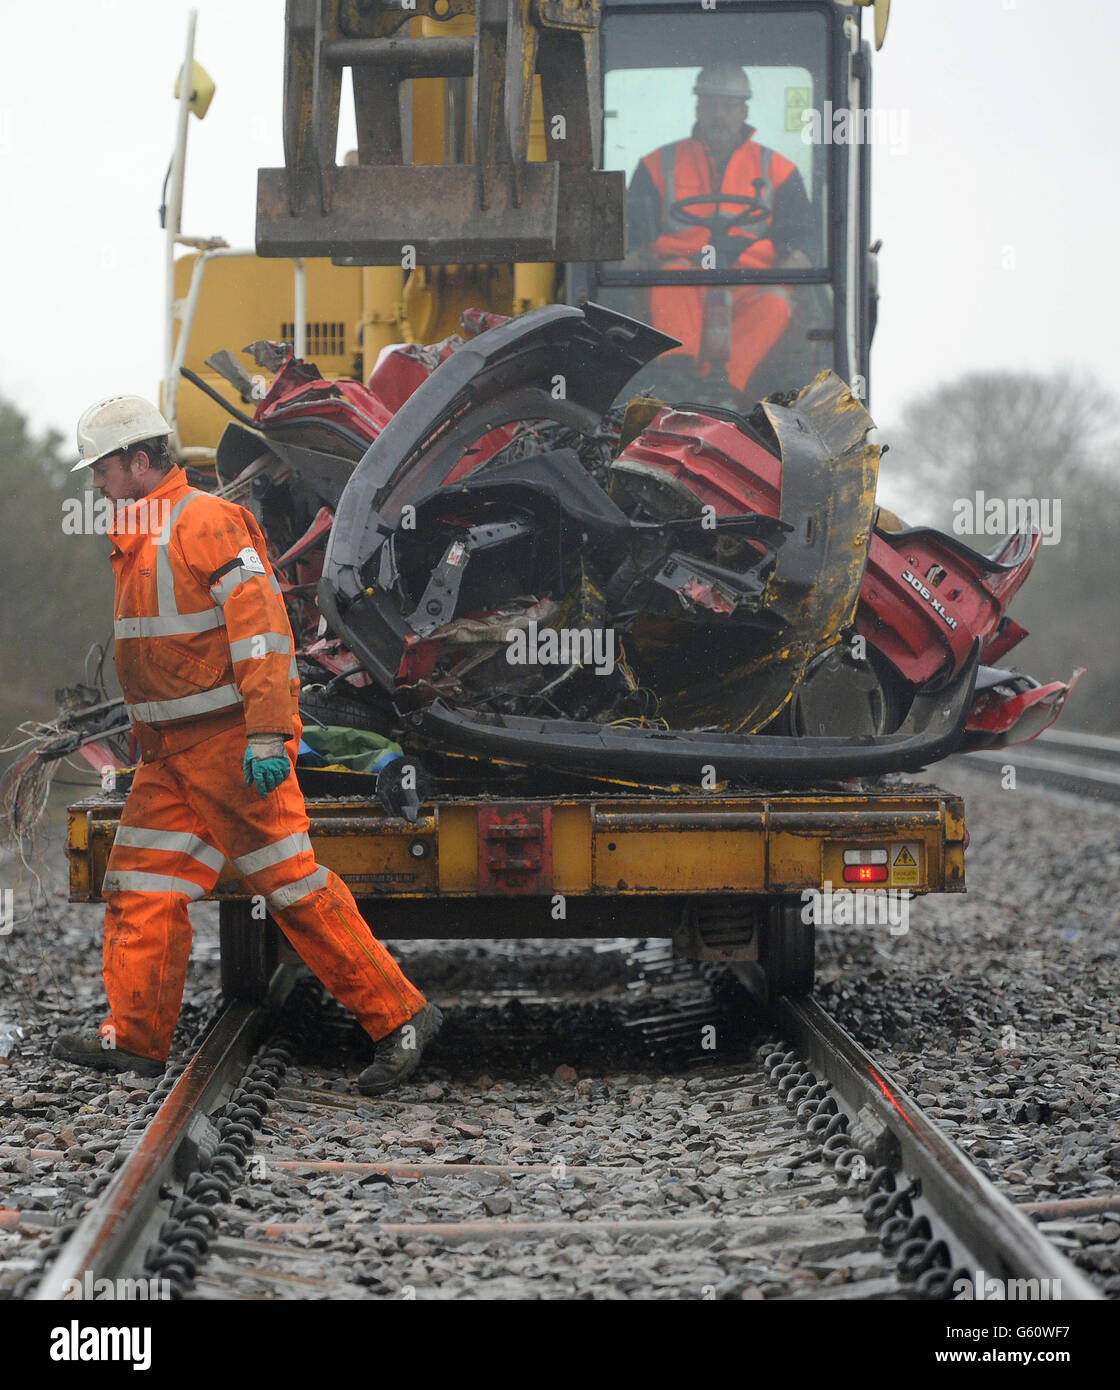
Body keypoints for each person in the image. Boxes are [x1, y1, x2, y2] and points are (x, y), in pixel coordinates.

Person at [52, 395, 442, 1095]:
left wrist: (266, 734)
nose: (96, 483)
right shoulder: (140, 533)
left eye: (103, 468)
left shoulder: (205, 522)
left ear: (141, 461)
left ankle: (401, 1017)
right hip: (172, 761)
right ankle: (134, 1036)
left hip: (234, 754)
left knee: (295, 892)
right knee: (140, 886)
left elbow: (263, 639)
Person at [625, 61, 817, 396]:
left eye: (728, 105)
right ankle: (677, 381)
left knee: (775, 302)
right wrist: (635, 255)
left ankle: (726, 389)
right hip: (683, 273)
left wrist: (797, 258)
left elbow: (802, 233)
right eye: (712, 104)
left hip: (752, 280)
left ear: (744, 109)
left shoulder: (779, 171)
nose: (719, 114)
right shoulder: (656, 165)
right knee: (670, 283)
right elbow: (632, 229)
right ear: (698, 106)